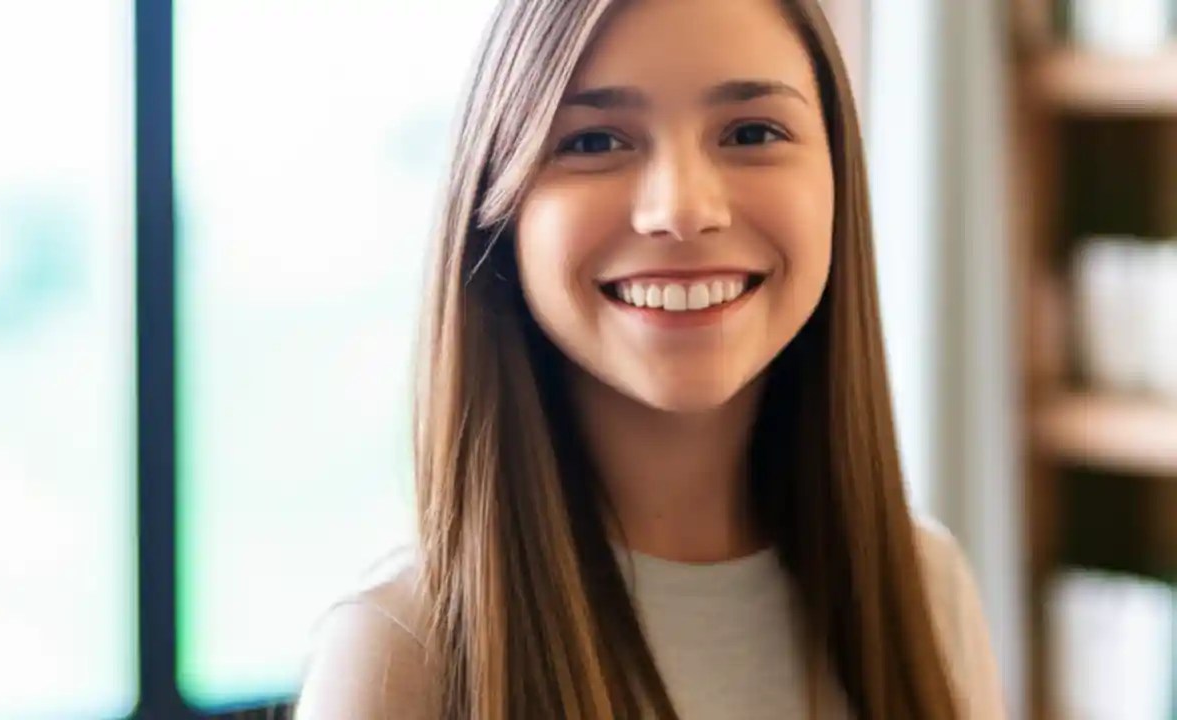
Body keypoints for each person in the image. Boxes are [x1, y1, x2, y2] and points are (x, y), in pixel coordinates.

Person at [295, 0, 1005, 717]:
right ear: (500, 207)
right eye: (596, 141)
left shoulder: (925, 589)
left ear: (839, 181)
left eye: (751, 131)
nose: (682, 208)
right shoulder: (396, 655)